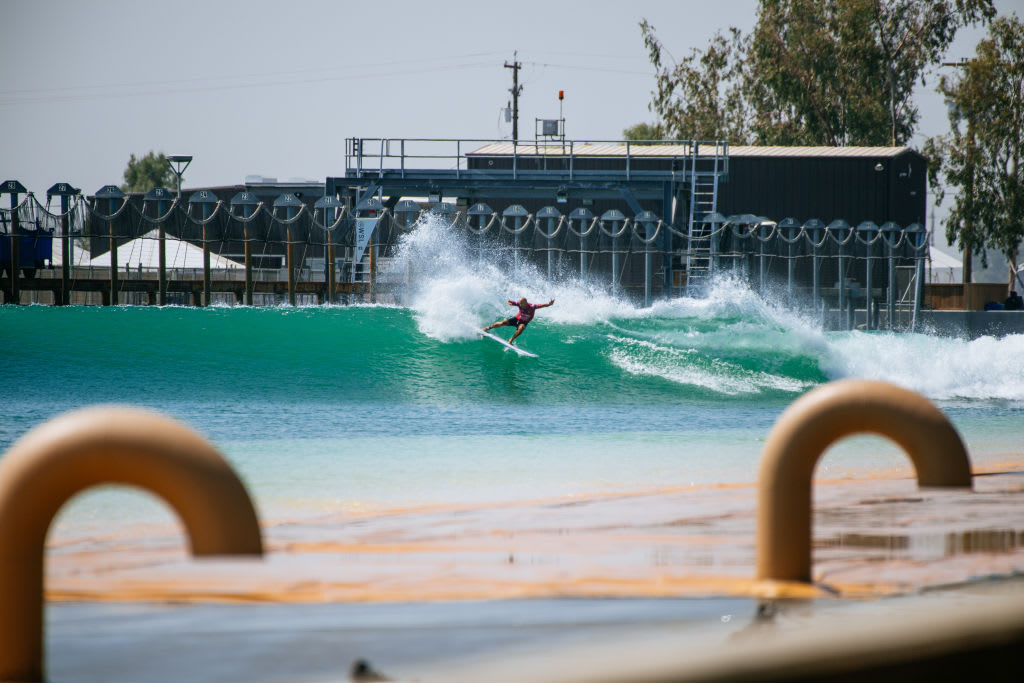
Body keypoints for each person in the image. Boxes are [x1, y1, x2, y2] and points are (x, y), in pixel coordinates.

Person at [483, 296, 555, 344]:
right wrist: (508, 302)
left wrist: (549, 304)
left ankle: (511, 340)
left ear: (525, 303)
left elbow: (543, 305)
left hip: (523, 322)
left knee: (521, 328)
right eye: (519, 303)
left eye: (521, 303)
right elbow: (510, 302)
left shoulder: (532, 307)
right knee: (502, 323)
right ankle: (488, 328)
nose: (519, 304)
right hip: (516, 319)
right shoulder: (519, 304)